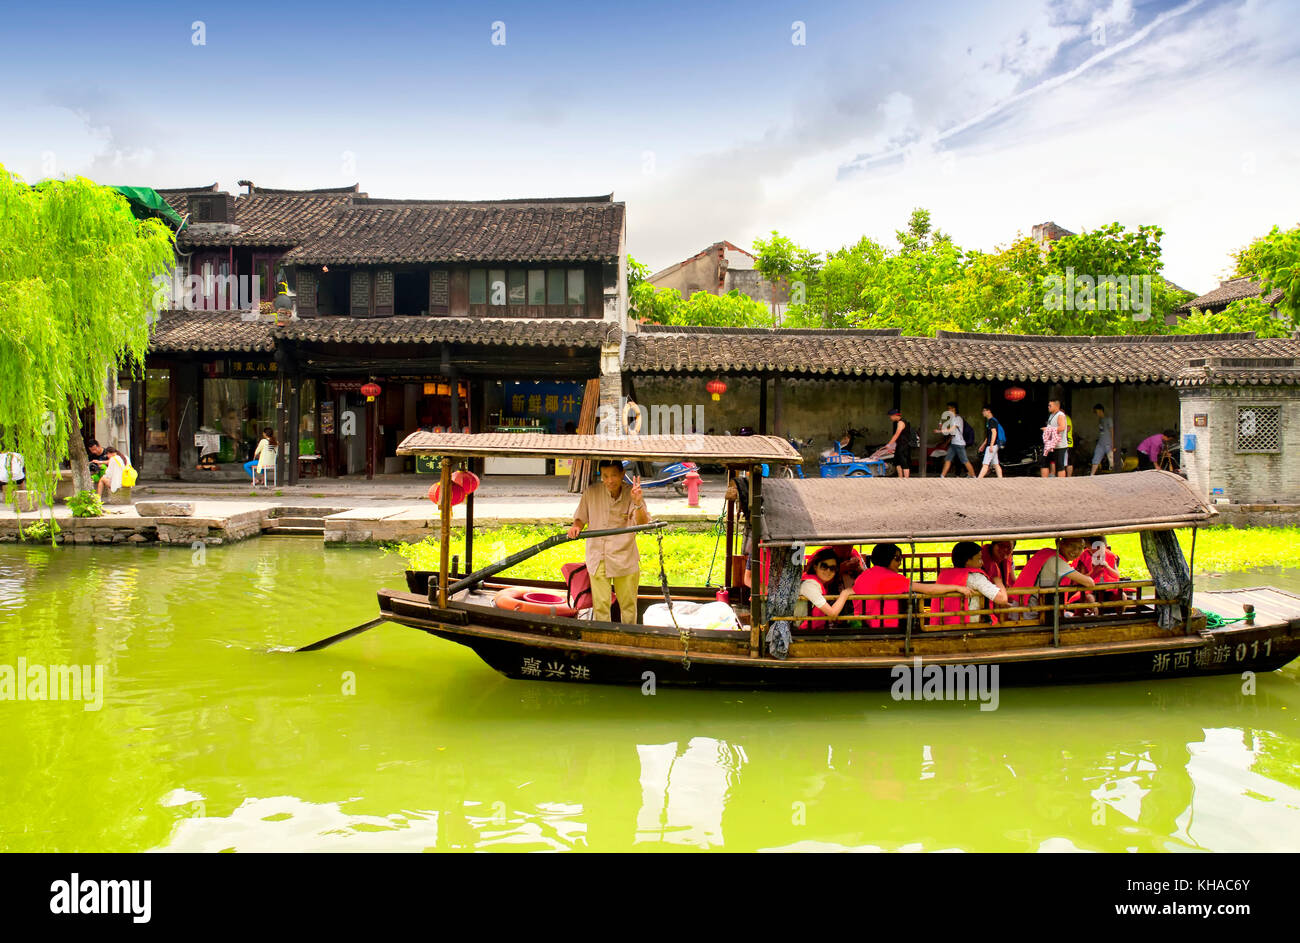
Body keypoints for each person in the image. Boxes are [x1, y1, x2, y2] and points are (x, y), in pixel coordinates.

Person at [568, 460, 651, 623]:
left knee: (628, 605)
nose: (610, 480)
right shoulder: (591, 492)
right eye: (605, 476)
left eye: (614, 475)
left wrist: (638, 502)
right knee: (601, 606)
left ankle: (628, 640)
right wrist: (576, 527)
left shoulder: (632, 493)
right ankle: (603, 641)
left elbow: (642, 523)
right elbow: (580, 519)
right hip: (597, 556)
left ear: (622, 474)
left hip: (625, 558)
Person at [852, 543, 975, 630]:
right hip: (888, 628)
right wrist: (957, 587)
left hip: (864, 627)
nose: (900, 563)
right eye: (897, 558)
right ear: (886, 558)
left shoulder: (862, 576)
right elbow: (930, 589)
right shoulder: (893, 579)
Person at [1007, 538, 1096, 621]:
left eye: (1080, 548)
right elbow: (1090, 583)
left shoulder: (1046, 553)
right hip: (1029, 615)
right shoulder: (1056, 561)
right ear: (1060, 544)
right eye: (1071, 545)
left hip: (1021, 611)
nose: (1076, 551)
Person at [928, 541, 1009, 626]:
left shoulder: (944, 574)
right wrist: (998, 581)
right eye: (979, 559)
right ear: (967, 561)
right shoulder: (975, 576)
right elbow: (1002, 599)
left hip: (942, 623)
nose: (982, 563)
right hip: (967, 624)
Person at [795, 547, 855, 631]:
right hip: (802, 632)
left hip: (813, 630)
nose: (828, 571)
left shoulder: (819, 584)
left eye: (832, 568)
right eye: (824, 566)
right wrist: (845, 593)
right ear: (815, 566)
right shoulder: (809, 585)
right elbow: (832, 614)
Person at [936, 401, 976, 478]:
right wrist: (942, 429)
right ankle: (942, 476)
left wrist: (940, 431)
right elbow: (951, 431)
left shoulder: (958, 418)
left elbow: (952, 430)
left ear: (954, 409)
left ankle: (974, 476)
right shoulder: (953, 419)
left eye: (949, 409)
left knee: (965, 461)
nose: (948, 410)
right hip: (954, 443)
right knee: (948, 459)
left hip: (959, 444)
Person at [1040, 399, 1069, 478]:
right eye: (1048, 405)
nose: (1048, 407)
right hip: (1050, 444)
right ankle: (1044, 482)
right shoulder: (1051, 415)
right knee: (1044, 462)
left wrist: (1048, 429)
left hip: (1059, 445)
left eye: (1050, 405)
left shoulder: (1060, 415)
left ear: (1056, 406)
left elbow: (1062, 427)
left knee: (1060, 465)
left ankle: (1061, 484)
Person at [977, 404, 1003, 479]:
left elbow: (994, 433)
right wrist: (983, 444)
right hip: (993, 445)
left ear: (989, 411)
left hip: (992, 445)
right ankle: (1001, 479)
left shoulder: (991, 421)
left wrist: (991, 445)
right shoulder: (991, 421)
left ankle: (978, 479)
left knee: (985, 464)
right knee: (996, 464)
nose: (983, 412)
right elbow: (989, 435)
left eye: (984, 411)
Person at [884, 408, 912, 478]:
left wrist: (889, 444)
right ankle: (900, 478)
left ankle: (906, 479)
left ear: (894, 415)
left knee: (904, 462)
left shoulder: (901, 422)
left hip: (903, 445)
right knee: (897, 462)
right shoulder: (901, 422)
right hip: (899, 445)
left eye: (890, 416)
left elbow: (897, 434)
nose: (890, 418)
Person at [1089, 404, 1114, 475]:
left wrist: (1113, 443)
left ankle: (1115, 475)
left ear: (1100, 410)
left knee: (1112, 461)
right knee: (1095, 459)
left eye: (1095, 411)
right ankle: (1091, 475)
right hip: (1101, 444)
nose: (1095, 413)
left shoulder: (1108, 419)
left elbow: (1112, 431)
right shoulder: (1100, 420)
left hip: (1108, 443)